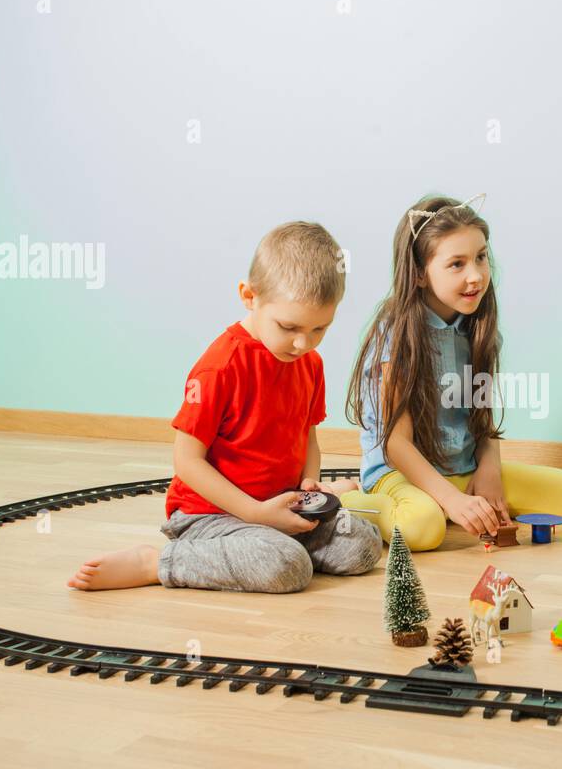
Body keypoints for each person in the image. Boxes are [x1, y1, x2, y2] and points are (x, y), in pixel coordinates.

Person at [68, 222, 382, 592]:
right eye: (289, 326)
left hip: (277, 506)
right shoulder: (221, 366)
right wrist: (255, 513)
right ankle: (157, 563)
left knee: (364, 544)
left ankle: (265, 545)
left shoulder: (309, 364)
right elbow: (187, 462)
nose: (302, 343)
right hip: (212, 515)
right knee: (288, 567)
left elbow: (307, 438)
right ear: (249, 296)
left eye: (319, 330)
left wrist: (308, 485)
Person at [342, 193, 562, 551]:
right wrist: (451, 501)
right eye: (457, 264)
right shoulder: (396, 337)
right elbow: (396, 444)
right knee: (422, 529)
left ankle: (452, 504)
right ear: (418, 274)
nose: (476, 275)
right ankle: (346, 500)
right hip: (399, 475)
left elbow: (480, 414)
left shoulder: (475, 326)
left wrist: (489, 471)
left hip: (460, 470)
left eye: (481, 257)